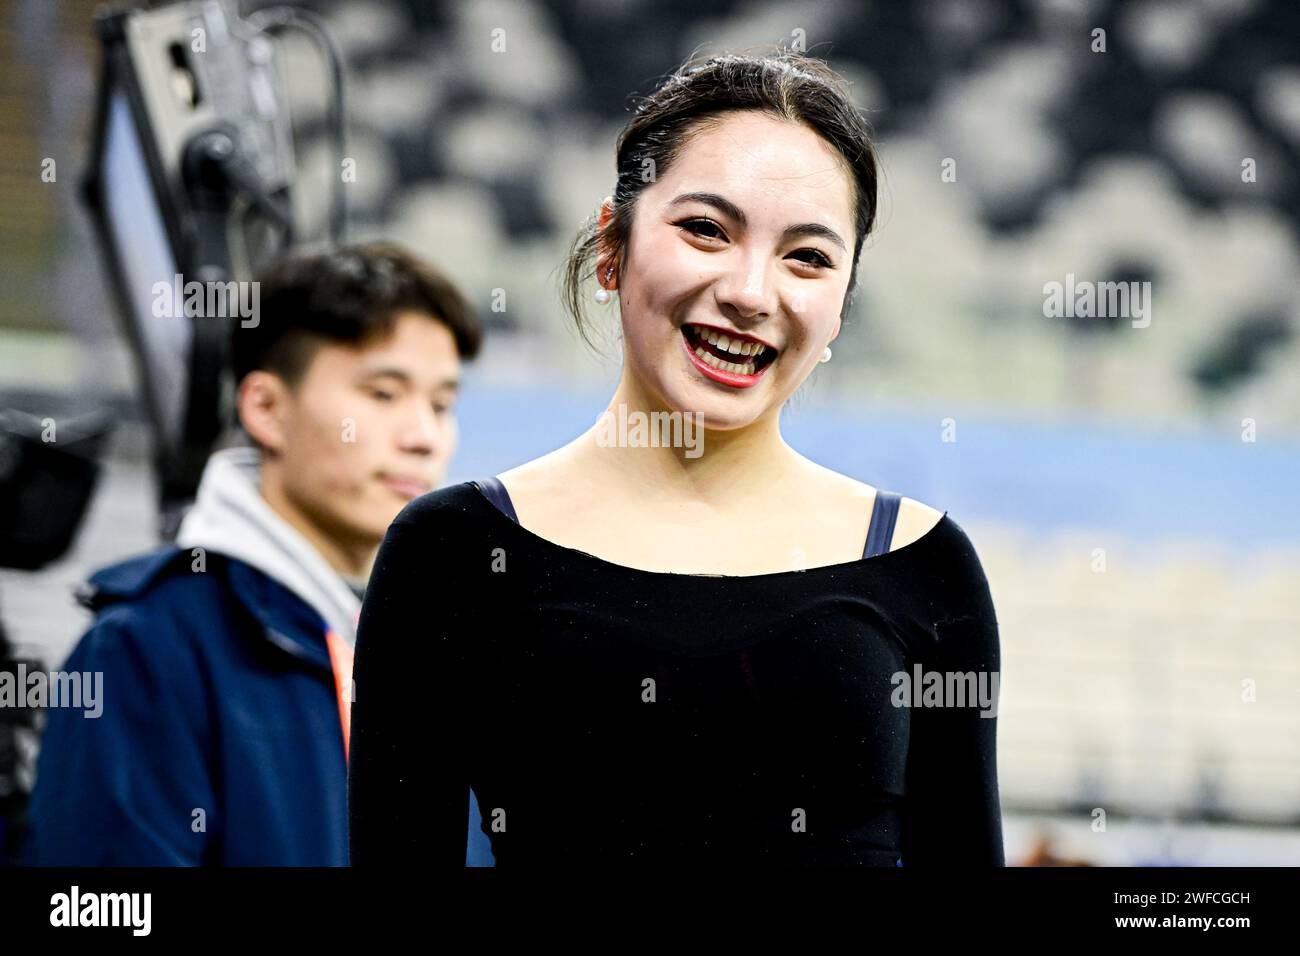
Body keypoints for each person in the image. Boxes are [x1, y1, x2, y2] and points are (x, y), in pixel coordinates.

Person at [348, 52, 1004, 867]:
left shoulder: (925, 566)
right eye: (705, 230)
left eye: (807, 256)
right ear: (610, 249)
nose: (751, 292)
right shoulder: (448, 554)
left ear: (839, 308)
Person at [26, 241, 482, 865]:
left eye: (441, 404)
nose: (424, 437)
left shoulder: (445, 653)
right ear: (267, 408)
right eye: (383, 394)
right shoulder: (143, 649)